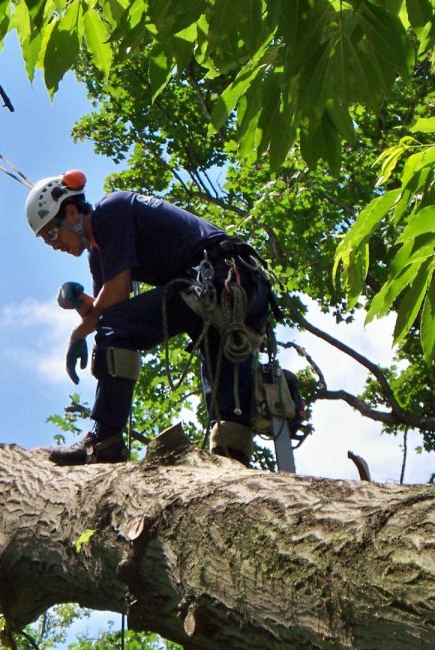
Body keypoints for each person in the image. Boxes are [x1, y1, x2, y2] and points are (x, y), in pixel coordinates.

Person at [27, 170, 271, 466]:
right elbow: (107, 309)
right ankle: (232, 465)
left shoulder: (110, 211)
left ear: (71, 211)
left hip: (222, 277)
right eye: (46, 242)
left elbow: (114, 302)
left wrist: (78, 334)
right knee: (226, 398)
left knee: (116, 326)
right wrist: (79, 303)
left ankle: (105, 440)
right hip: (227, 286)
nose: (54, 245)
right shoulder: (98, 252)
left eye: (52, 233)